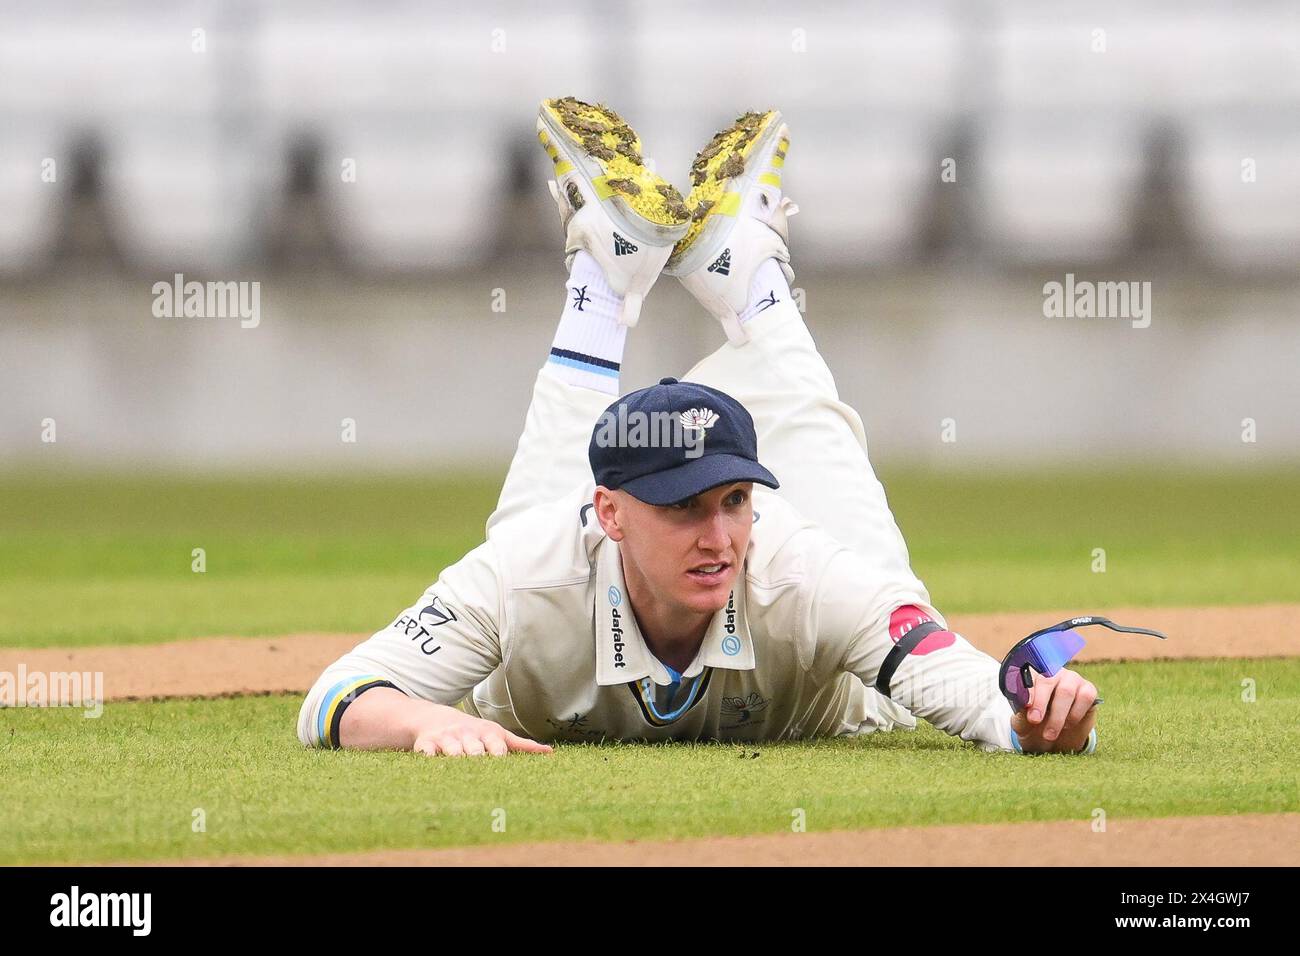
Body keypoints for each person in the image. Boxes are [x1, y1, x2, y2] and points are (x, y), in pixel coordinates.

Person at [297, 98, 1099, 758]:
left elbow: (955, 678)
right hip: (557, 572)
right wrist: (424, 721)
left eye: (735, 500)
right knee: (529, 545)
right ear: (607, 513)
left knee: (853, 510)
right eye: (683, 507)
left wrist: (1024, 718)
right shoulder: (523, 577)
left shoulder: (799, 569)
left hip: (840, 702)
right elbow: (335, 697)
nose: (719, 535)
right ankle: (737, 274)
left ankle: (619, 280)